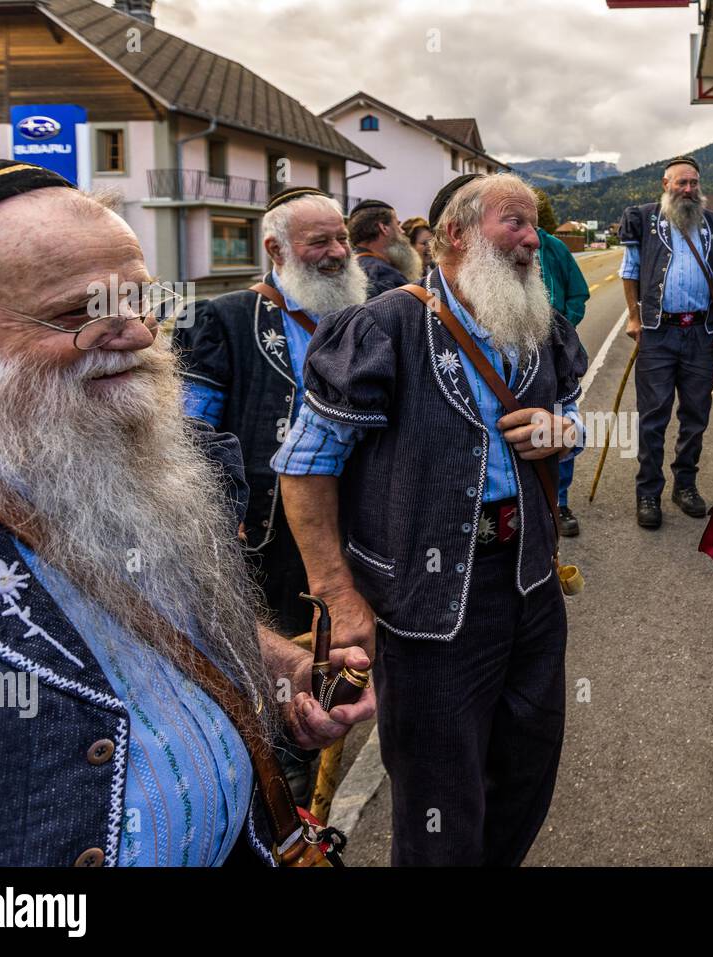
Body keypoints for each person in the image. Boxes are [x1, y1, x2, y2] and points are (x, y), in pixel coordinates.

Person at [0, 159, 372, 865]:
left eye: (142, 303)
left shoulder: (106, 446)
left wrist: (279, 669)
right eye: (80, 312)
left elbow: (157, 611)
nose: (137, 335)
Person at [273, 172, 588, 866]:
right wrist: (336, 592)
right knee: (440, 805)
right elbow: (304, 465)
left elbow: (574, 415)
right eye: (514, 222)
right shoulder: (382, 327)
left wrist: (563, 431)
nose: (533, 238)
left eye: (533, 224)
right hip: (427, 603)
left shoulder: (539, 324)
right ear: (455, 234)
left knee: (527, 770)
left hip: (532, 584)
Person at [175, 186, 368, 638]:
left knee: (357, 642)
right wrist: (218, 512)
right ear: (275, 249)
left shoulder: (372, 310)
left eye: (342, 239)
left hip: (363, 513)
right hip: (271, 524)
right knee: (289, 645)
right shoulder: (226, 319)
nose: (338, 253)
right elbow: (191, 431)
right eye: (319, 242)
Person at [620, 156, 713, 529]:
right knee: (653, 416)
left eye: (693, 183)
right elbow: (629, 270)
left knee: (695, 416)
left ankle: (684, 485)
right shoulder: (643, 219)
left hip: (701, 334)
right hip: (658, 332)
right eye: (680, 183)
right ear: (665, 185)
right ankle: (648, 492)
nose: (688, 189)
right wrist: (633, 316)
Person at [535, 219, 590, 536]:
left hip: (555, 356)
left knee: (560, 424)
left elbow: (578, 294)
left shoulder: (553, 247)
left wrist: (560, 330)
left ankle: (560, 501)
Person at [350, 199, 421, 294]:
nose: (402, 231)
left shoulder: (349, 267)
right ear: (383, 228)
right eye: (397, 224)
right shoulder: (385, 274)